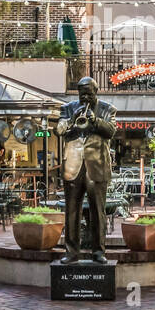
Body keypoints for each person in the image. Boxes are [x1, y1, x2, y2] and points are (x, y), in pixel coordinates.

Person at [56, 76, 116, 264]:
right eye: (82, 94)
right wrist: (73, 119)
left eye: (89, 94)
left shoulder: (107, 109)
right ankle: (71, 252)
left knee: (98, 211)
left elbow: (111, 131)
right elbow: (59, 130)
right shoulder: (68, 108)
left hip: (97, 165)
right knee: (72, 211)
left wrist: (95, 120)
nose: (86, 98)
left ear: (96, 92)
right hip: (73, 166)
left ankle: (98, 252)